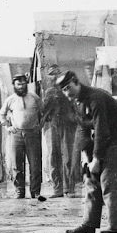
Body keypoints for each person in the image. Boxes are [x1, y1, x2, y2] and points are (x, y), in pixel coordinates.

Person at [62, 71, 117, 233]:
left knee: (109, 180)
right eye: (64, 90)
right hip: (102, 141)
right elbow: (82, 128)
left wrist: (96, 159)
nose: (67, 92)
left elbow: (102, 130)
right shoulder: (77, 101)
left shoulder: (96, 97)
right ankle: (89, 224)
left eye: (69, 87)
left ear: (77, 82)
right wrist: (86, 155)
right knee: (90, 179)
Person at [0, 74, 43, 199]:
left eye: (23, 84)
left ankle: (35, 191)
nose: (21, 86)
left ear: (26, 85)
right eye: (18, 84)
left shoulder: (34, 98)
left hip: (32, 135)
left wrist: (40, 126)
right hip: (17, 134)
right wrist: (8, 127)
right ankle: (19, 190)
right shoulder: (10, 99)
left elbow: (44, 112)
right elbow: (1, 114)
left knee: (35, 164)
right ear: (14, 86)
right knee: (17, 164)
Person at [40, 67, 79, 198]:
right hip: (52, 126)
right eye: (52, 75)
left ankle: (69, 188)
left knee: (68, 157)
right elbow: (44, 111)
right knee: (54, 157)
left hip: (68, 126)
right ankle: (57, 188)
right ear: (48, 77)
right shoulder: (48, 92)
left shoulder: (70, 89)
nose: (55, 77)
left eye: (57, 74)